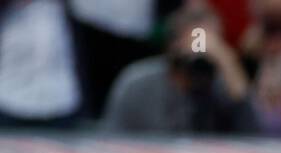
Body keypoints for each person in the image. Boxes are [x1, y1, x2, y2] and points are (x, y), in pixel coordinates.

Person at [102, 3, 259, 133]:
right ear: (173, 44)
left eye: (208, 43)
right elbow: (112, 142)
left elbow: (252, 136)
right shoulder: (138, 85)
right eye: (195, 41)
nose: (199, 50)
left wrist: (228, 63)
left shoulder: (223, 87)